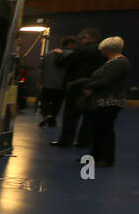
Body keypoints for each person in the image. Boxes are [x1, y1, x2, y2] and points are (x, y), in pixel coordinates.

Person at [79, 36, 129, 168]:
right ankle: (95, 155)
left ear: (107, 49)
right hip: (104, 100)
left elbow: (105, 81)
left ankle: (106, 158)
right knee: (98, 129)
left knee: (105, 129)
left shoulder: (118, 63)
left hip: (110, 100)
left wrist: (89, 86)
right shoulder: (113, 62)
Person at [53, 27, 106, 147]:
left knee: (71, 116)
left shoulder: (81, 51)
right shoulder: (104, 52)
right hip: (95, 87)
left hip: (77, 86)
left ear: (86, 38)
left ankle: (66, 140)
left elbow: (64, 64)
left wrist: (58, 56)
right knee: (90, 116)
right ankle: (84, 141)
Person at [38, 36, 71, 128]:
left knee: (45, 100)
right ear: (71, 44)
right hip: (62, 84)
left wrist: (39, 81)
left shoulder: (48, 54)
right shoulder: (72, 55)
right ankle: (52, 120)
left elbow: (41, 69)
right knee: (58, 103)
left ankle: (48, 115)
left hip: (47, 83)